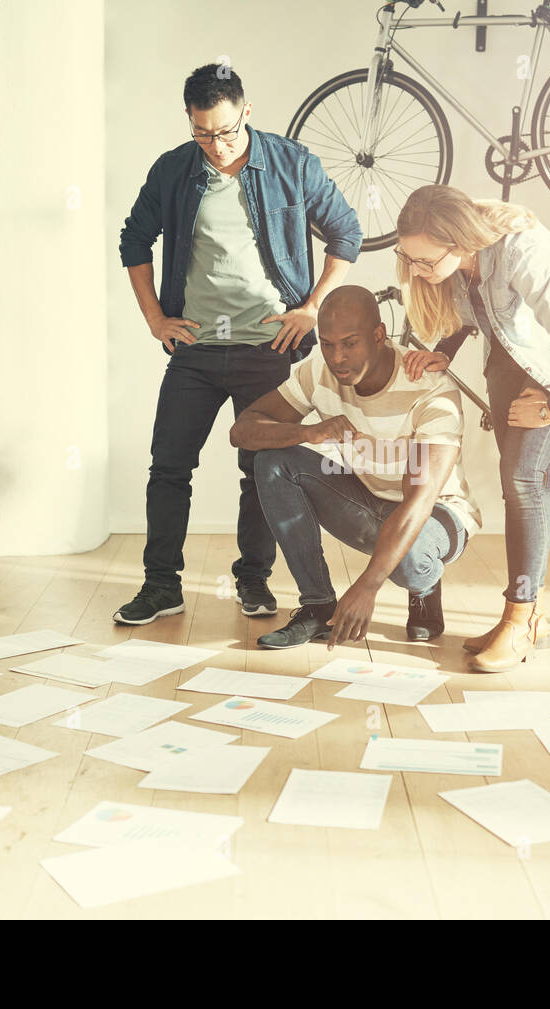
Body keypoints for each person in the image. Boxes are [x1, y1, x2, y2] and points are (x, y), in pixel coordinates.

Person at [114, 64, 361, 625]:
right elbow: (134, 238)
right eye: (204, 133)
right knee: (169, 467)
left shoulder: (292, 164)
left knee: (261, 468)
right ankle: (161, 587)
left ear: (246, 113)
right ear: (189, 122)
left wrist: (312, 306)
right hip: (197, 350)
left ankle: (254, 583)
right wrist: (156, 318)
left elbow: (347, 233)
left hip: (269, 350)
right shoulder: (175, 170)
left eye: (226, 131)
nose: (217, 146)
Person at [395, 184, 550, 672]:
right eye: (408, 259)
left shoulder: (522, 252)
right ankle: (529, 617)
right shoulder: (458, 259)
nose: (416, 272)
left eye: (426, 262)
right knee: (519, 481)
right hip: (512, 356)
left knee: (523, 481)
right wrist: (444, 352)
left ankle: (519, 620)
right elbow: (466, 304)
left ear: (462, 243)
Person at [229, 286, 480, 649]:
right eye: (327, 344)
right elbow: (243, 430)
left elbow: (417, 504)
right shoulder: (319, 373)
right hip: (370, 499)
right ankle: (317, 606)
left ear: (379, 336)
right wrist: (308, 431)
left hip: (438, 513)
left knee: (408, 556)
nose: (337, 358)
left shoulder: (430, 390)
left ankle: (424, 585)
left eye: (350, 343)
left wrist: (366, 587)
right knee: (273, 460)